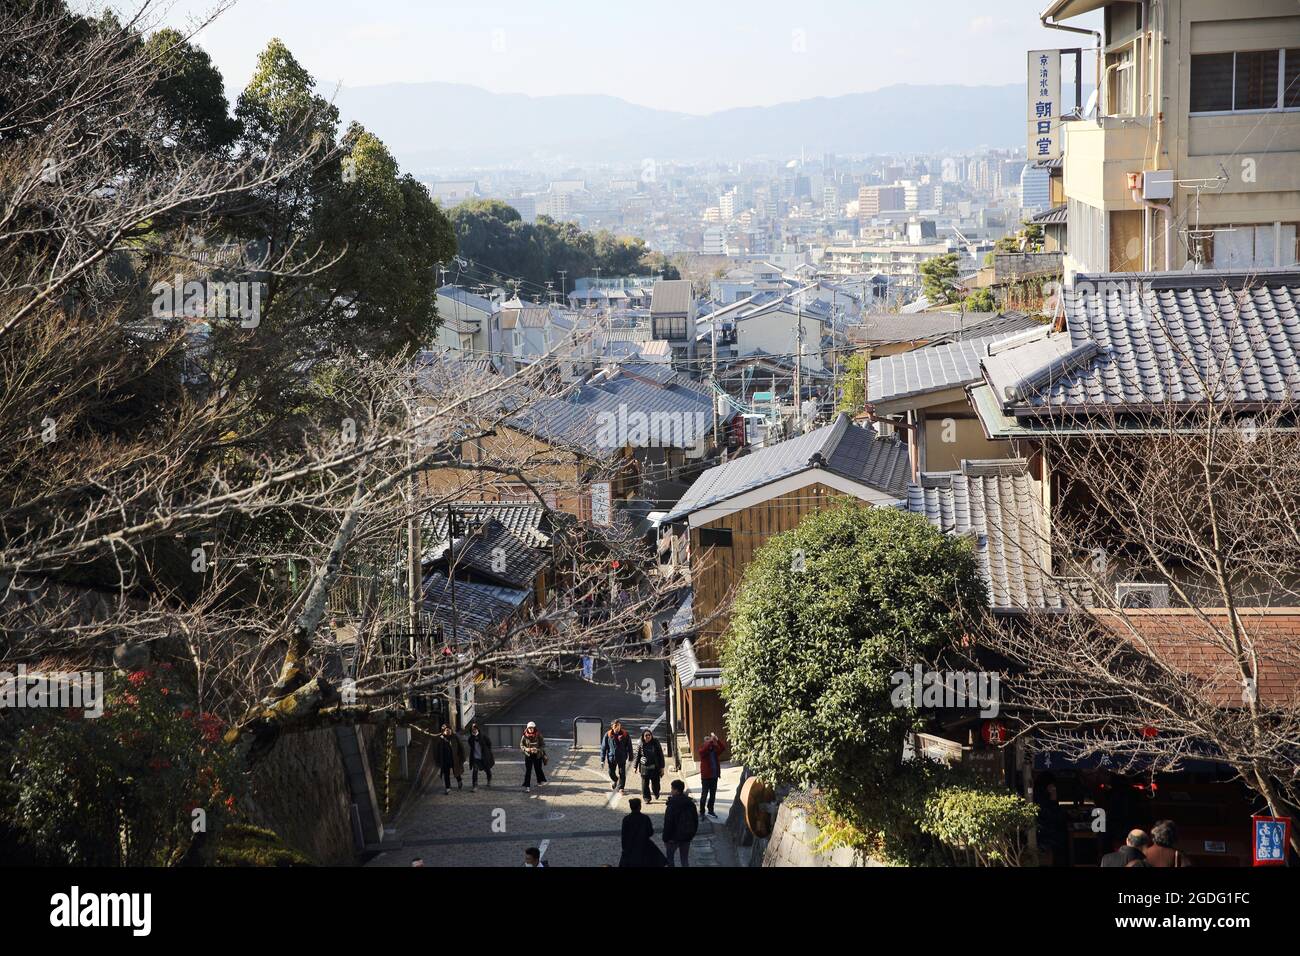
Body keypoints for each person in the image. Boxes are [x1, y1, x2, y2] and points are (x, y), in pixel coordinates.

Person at [1033, 773, 1069, 866]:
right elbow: (1053, 816)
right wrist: (1053, 799)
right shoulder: (1042, 798)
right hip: (1047, 836)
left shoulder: (1037, 795)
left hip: (1044, 835)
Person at [661, 779, 699, 867]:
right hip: (686, 836)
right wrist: (692, 834)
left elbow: (668, 822)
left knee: (670, 859)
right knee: (684, 859)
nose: (671, 791)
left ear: (676, 790)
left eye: (672, 789)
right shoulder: (690, 803)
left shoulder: (672, 804)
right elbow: (695, 820)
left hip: (673, 838)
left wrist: (665, 838)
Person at [619, 798, 666, 867]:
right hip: (644, 845)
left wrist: (625, 848)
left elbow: (624, 835)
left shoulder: (626, 819)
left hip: (630, 846)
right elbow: (650, 832)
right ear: (639, 807)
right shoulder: (645, 818)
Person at [696, 732, 726, 818]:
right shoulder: (702, 750)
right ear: (704, 743)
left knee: (713, 795)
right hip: (706, 777)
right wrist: (710, 741)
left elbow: (723, 748)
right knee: (704, 795)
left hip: (714, 776)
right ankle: (702, 812)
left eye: (709, 741)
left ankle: (710, 810)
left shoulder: (714, 749)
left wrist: (717, 740)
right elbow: (704, 749)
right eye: (707, 741)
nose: (709, 742)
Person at [600, 720, 633, 793]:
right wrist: (602, 760)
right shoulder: (608, 734)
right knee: (611, 772)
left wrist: (631, 757)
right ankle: (616, 780)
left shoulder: (625, 734)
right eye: (615, 726)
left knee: (622, 773)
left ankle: (621, 787)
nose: (617, 727)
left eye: (619, 725)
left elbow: (629, 746)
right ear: (612, 727)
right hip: (611, 757)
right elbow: (603, 748)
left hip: (622, 757)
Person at [633, 729, 665, 803]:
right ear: (643, 737)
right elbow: (637, 756)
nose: (647, 737)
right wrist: (635, 767)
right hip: (644, 768)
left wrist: (662, 767)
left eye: (649, 735)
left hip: (655, 768)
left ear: (651, 736)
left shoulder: (656, 742)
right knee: (644, 785)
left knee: (656, 785)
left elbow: (661, 755)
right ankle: (647, 798)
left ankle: (656, 793)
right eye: (646, 735)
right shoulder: (640, 744)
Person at [435, 724, 465, 795]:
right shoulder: (441, 739)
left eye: (448, 730)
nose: (447, 731)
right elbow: (438, 751)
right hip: (445, 759)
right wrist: (438, 760)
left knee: (456, 771)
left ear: (451, 730)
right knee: (446, 774)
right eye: (446, 730)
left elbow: (461, 747)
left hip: (454, 758)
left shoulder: (455, 737)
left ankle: (459, 781)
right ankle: (447, 787)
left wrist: (462, 757)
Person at [466, 721, 494, 791]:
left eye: (475, 728)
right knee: (475, 770)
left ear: (477, 728)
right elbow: (471, 745)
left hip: (484, 757)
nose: (474, 729)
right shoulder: (470, 738)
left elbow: (489, 743)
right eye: (472, 728)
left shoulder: (483, 736)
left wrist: (488, 753)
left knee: (487, 769)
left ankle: (489, 779)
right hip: (476, 757)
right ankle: (475, 785)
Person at [520, 721, 547, 791]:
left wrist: (537, 750)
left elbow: (543, 745)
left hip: (537, 755)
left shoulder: (538, 735)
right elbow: (521, 745)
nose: (531, 729)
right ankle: (527, 786)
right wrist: (526, 749)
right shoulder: (524, 736)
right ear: (527, 728)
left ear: (534, 728)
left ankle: (540, 781)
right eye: (529, 728)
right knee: (528, 771)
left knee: (538, 769)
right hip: (528, 755)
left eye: (532, 728)